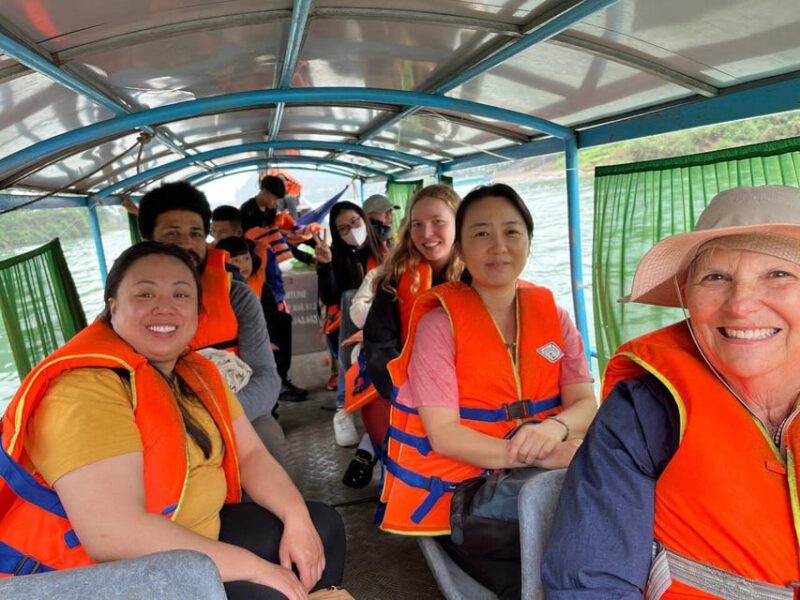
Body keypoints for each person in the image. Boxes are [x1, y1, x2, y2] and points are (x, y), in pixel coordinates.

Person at [0, 242, 345, 599]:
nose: (164, 307)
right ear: (112, 307)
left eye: (181, 294)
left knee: (322, 527)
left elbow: (251, 455)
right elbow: (112, 534)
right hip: (99, 576)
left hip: (192, 537)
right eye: (145, 293)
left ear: (198, 310)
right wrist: (258, 569)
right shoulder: (83, 390)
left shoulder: (195, 370)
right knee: (272, 592)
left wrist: (296, 518)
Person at [542, 185, 800, 598]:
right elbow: (592, 582)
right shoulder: (644, 411)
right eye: (715, 277)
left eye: (779, 274)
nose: (741, 304)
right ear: (686, 297)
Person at [381, 184, 597, 599]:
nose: (498, 246)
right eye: (481, 233)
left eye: (512, 232)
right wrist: (538, 453)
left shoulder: (553, 316)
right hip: (465, 493)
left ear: (529, 243)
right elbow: (443, 433)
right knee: (550, 574)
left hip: (544, 466)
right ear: (460, 246)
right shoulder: (437, 325)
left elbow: (584, 402)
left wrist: (555, 428)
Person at [137, 182, 288, 468]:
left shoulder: (237, 296)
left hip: (236, 411)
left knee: (268, 438)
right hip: (165, 423)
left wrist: (211, 421)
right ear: (148, 240)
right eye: (172, 234)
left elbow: (267, 378)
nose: (186, 243)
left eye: (195, 233)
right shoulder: (127, 305)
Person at [340, 184, 462, 489]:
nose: (427, 234)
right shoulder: (394, 279)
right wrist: (414, 396)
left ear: (459, 223)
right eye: (417, 224)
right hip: (406, 390)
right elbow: (380, 347)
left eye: (438, 222)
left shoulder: (478, 276)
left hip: (467, 390)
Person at [212, 205, 307, 403]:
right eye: (214, 231)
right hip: (229, 320)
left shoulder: (260, 251)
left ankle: (280, 381)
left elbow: (274, 283)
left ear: (238, 232)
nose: (217, 236)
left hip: (265, 306)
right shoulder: (210, 257)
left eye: (222, 231)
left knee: (280, 326)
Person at [314, 201, 386, 447]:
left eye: (354, 222)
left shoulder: (388, 248)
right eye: (343, 229)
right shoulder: (335, 257)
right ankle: (342, 409)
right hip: (351, 327)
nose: (352, 230)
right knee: (348, 296)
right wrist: (324, 266)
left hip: (386, 320)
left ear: (364, 218)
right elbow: (330, 297)